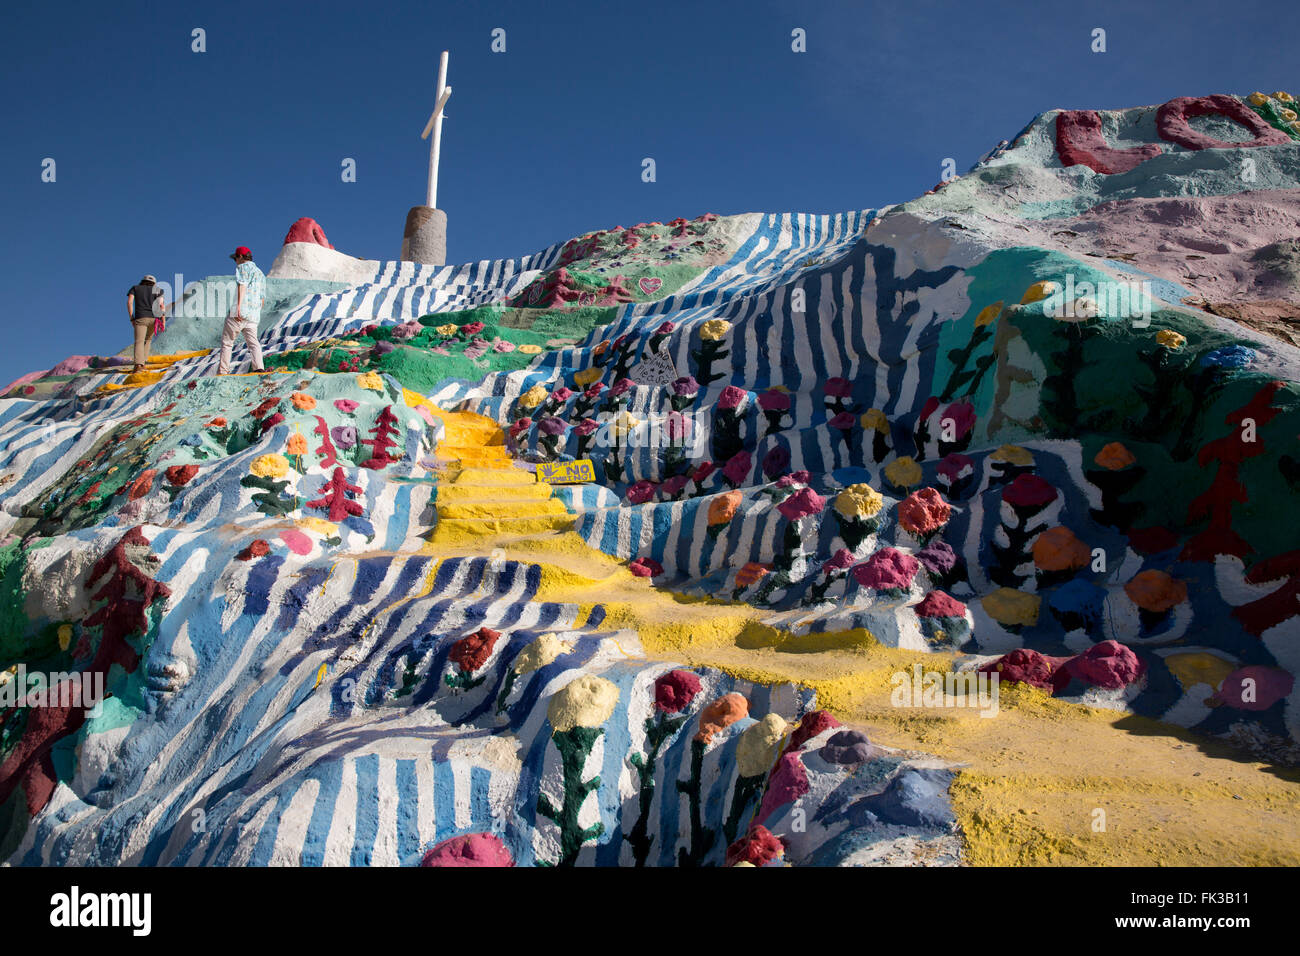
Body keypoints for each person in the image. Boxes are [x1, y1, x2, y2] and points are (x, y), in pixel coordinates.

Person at [217, 245, 267, 374]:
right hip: (253, 315)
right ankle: (259, 368)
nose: (236, 262)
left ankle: (223, 371)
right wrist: (254, 312)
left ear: (240, 257)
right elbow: (262, 298)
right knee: (253, 343)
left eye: (236, 259)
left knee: (227, 342)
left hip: (240, 311)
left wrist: (238, 307)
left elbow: (242, 286)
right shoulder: (260, 273)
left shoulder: (242, 268)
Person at [126, 275, 166, 372]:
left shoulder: (135, 288)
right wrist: (163, 321)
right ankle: (143, 363)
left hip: (141, 317)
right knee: (148, 340)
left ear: (142, 281)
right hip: (154, 319)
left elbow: (129, 302)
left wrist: (131, 318)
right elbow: (161, 306)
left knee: (139, 341)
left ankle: (138, 365)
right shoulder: (158, 290)